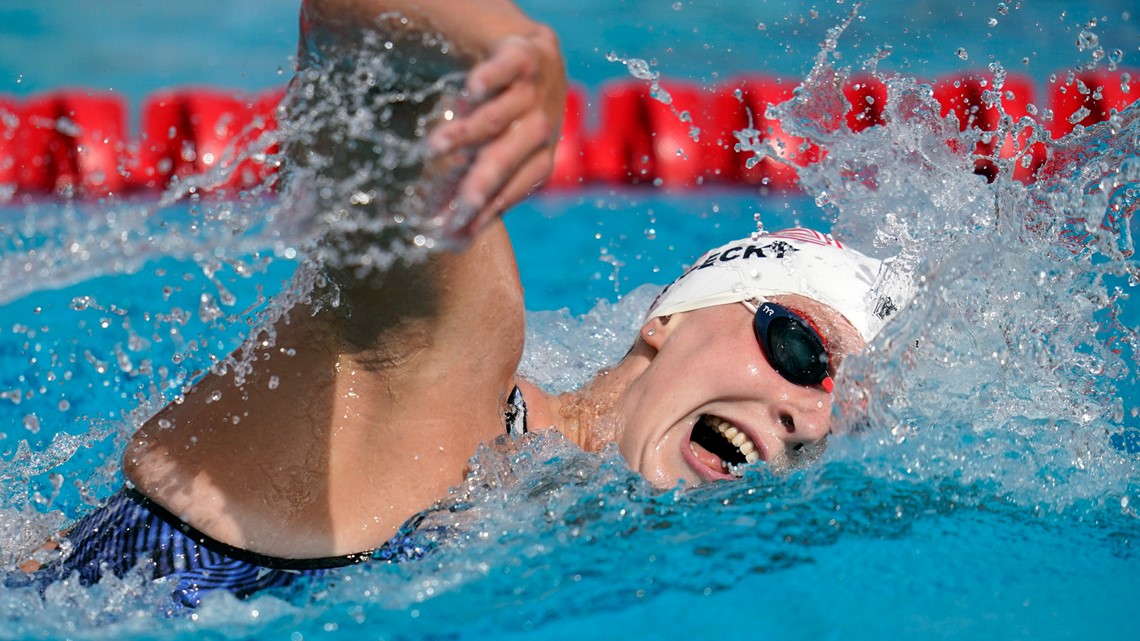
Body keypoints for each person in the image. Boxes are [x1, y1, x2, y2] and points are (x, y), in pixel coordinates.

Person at [16, 0, 907, 611]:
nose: (808, 414)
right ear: (668, 316)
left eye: (839, 421)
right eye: (800, 349)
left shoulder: (558, 523)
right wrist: (503, 42)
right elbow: (352, 30)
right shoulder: (452, 366)